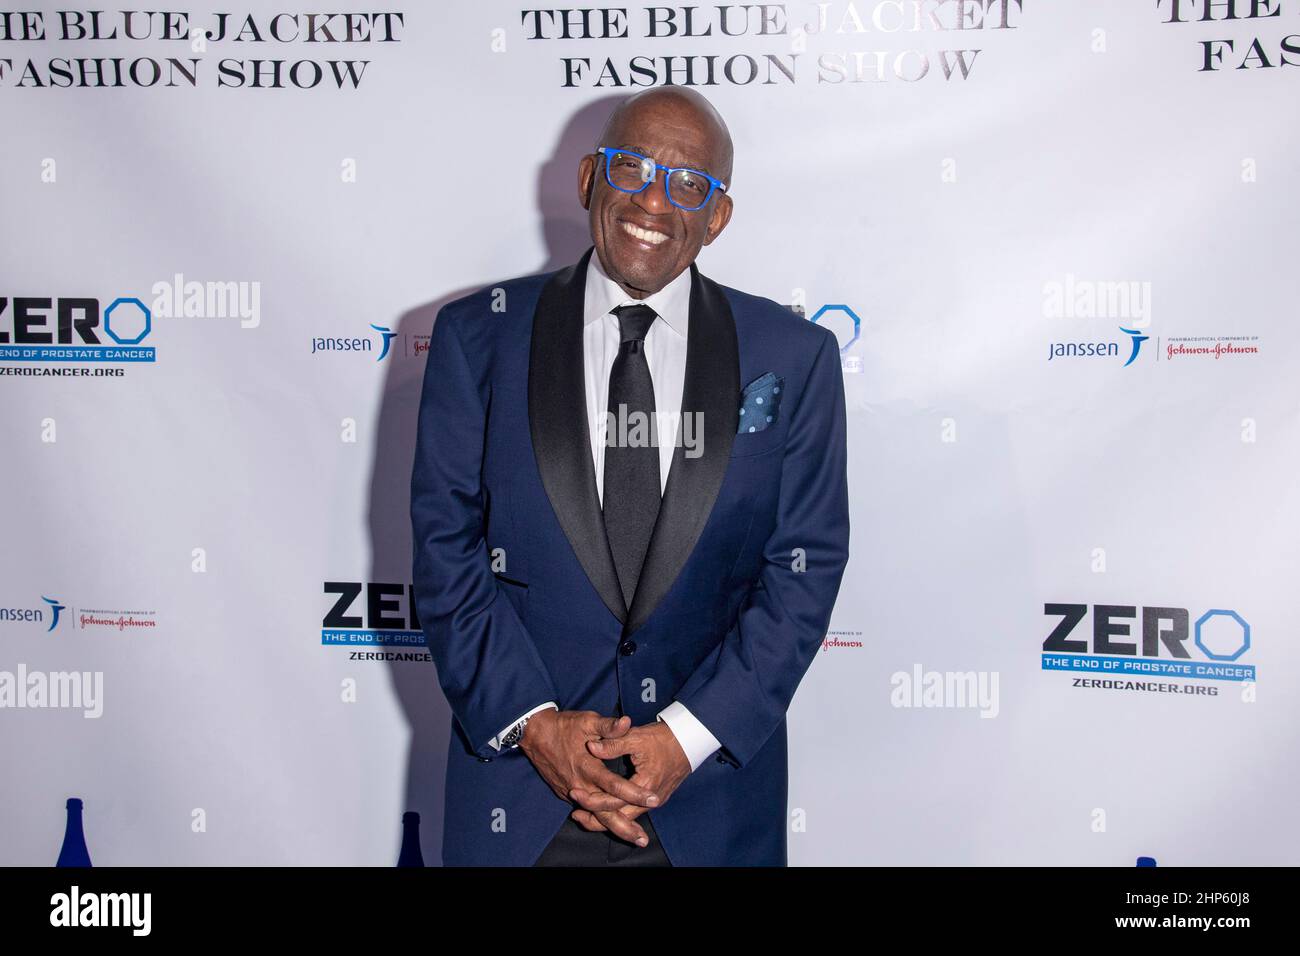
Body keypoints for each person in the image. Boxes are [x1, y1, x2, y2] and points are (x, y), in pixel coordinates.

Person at [411, 87, 849, 866]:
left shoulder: (793, 356)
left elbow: (802, 573)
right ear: (588, 179)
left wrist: (685, 738)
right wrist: (537, 726)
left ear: (716, 216)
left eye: (689, 183)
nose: (654, 198)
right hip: (521, 793)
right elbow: (446, 550)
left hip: (707, 803)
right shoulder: (477, 337)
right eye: (632, 168)